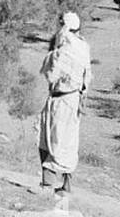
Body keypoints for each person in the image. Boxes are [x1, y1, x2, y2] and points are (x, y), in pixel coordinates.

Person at [37, 11, 92, 204]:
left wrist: (51, 54)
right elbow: (88, 76)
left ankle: (47, 183)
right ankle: (66, 184)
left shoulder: (64, 51)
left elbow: (51, 75)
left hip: (61, 100)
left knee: (51, 139)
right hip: (74, 99)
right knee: (68, 141)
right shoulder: (84, 47)